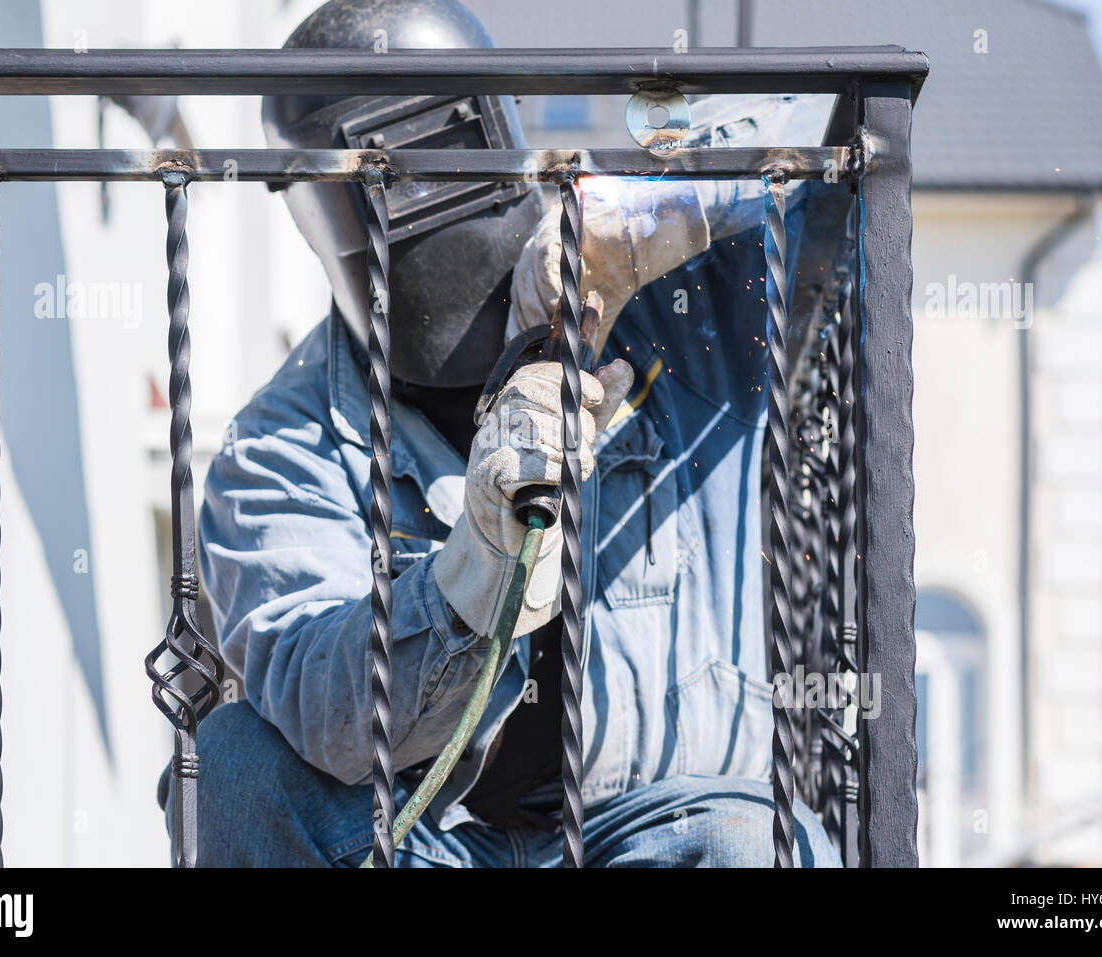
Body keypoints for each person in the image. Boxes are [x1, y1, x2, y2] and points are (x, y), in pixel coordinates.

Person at [163, 0, 839, 868]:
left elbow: (843, 135)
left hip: (657, 829)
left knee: (754, 841)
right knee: (229, 768)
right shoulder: (279, 447)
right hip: (426, 843)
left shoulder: (690, 303)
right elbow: (327, 706)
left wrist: (635, 219)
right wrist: (472, 570)